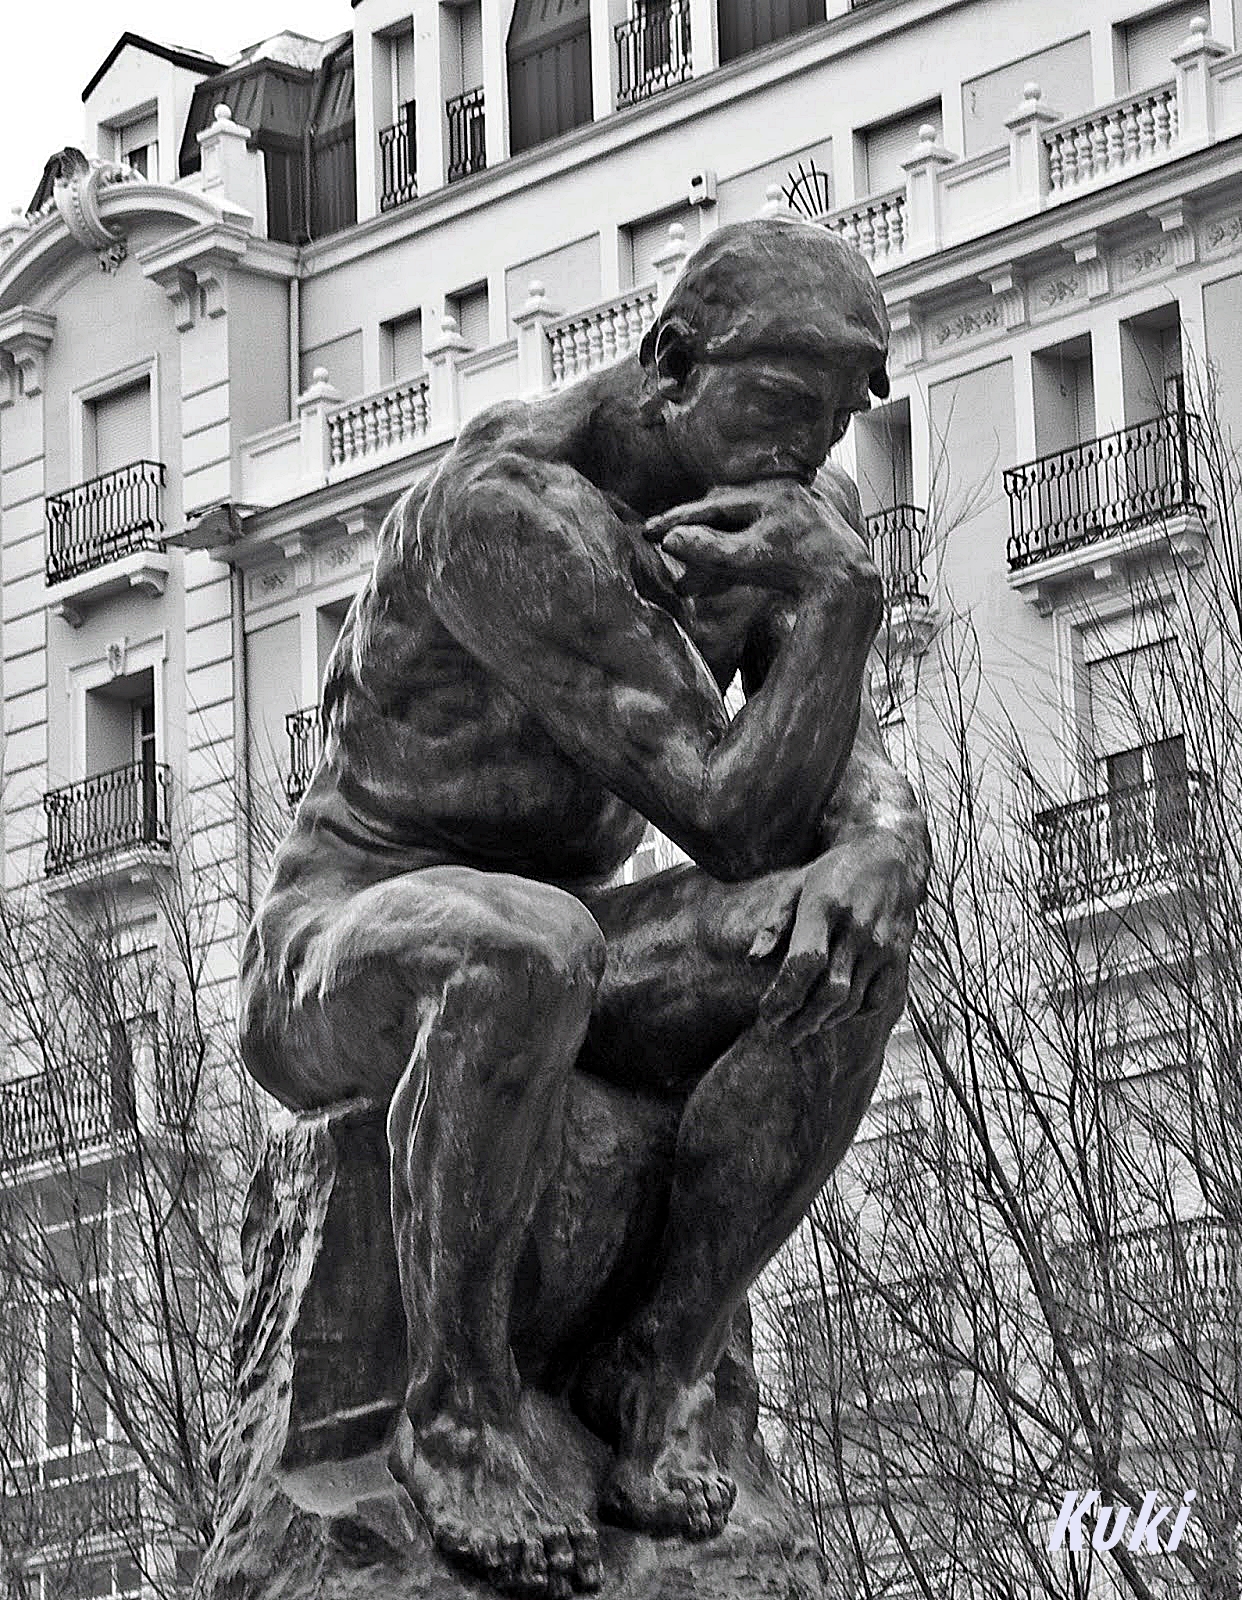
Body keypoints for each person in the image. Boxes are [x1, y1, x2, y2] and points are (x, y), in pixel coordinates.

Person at [239, 216, 931, 1598]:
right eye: (778, 405)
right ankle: (456, 1408)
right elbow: (729, 810)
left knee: (843, 938)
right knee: (523, 942)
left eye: (828, 421)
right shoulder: (505, 511)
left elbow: (835, 800)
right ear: (673, 363)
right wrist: (838, 608)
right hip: (354, 937)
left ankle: (658, 1360)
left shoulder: (795, 524)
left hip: (567, 946)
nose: (803, 452)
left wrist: (885, 847)